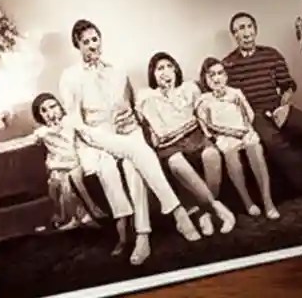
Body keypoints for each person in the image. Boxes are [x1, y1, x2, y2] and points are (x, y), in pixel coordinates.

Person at [59, 19, 201, 266]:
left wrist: (130, 118)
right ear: (77, 46)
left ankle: (143, 236)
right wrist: (99, 137)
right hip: (97, 135)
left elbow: (131, 104)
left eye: (95, 39)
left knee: (133, 166)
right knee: (140, 152)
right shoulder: (70, 77)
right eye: (86, 42)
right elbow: (75, 121)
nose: (93, 45)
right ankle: (178, 212)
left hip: (126, 130)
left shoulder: (116, 69)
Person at [223, 12, 302, 205]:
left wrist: (284, 104)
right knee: (274, 141)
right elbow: (229, 98)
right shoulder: (228, 64)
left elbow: (288, 85)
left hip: (278, 107)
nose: (247, 32)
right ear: (235, 35)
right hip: (254, 115)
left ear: (255, 30)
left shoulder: (271, 55)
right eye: (241, 29)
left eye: (250, 27)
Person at [136, 52, 236, 235]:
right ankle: (219, 209)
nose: (166, 72)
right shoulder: (148, 98)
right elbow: (162, 134)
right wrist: (183, 124)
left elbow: (202, 116)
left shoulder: (189, 89)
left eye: (169, 66)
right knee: (175, 162)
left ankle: (205, 213)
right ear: (153, 74)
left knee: (211, 155)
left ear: (176, 70)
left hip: (196, 137)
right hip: (170, 147)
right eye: (160, 69)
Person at [197, 56, 279, 219]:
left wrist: (246, 130)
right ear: (205, 79)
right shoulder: (203, 100)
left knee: (255, 147)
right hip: (224, 136)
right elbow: (207, 127)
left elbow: (249, 115)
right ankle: (247, 201)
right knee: (231, 153)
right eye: (211, 75)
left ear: (226, 76)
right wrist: (230, 133)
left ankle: (268, 201)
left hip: (243, 130)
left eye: (220, 73)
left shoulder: (236, 93)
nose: (216, 78)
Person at [30, 92, 105, 230]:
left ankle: (87, 212)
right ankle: (76, 216)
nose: (50, 113)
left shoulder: (70, 122)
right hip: (59, 166)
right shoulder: (43, 132)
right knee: (57, 180)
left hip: (76, 160)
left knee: (70, 177)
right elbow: (35, 141)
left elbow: (77, 143)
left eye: (53, 107)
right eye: (44, 111)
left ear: (60, 106)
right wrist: (46, 133)